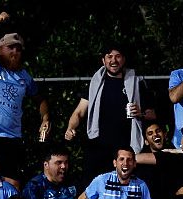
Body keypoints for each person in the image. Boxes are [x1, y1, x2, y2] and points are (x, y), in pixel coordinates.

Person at [0, 12, 49, 183]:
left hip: (10, 138)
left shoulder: (24, 76)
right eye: (10, 47)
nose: (15, 52)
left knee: (13, 184)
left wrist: (45, 117)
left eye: (18, 49)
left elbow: (39, 99)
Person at [66, 44, 156, 177]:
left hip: (126, 148)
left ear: (123, 59)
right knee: (93, 189)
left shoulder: (136, 83)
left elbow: (153, 115)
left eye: (118, 56)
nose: (113, 61)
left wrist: (140, 113)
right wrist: (70, 127)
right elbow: (79, 112)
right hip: (98, 147)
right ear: (103, 60)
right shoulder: (95, 84)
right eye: (109, 57)